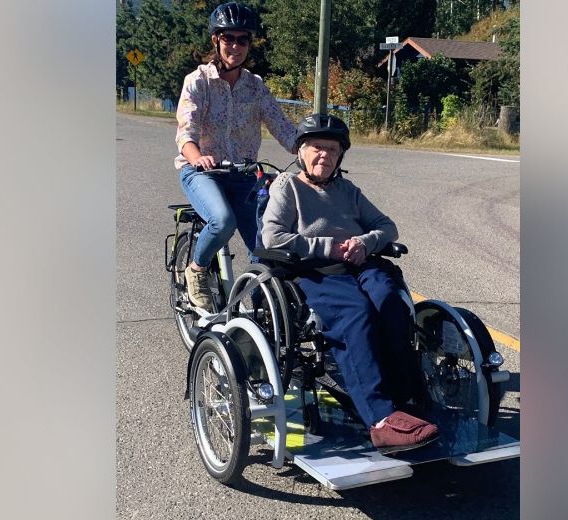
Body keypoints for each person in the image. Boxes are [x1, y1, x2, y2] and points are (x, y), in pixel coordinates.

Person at [261, 114, 439, 454]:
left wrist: (365, 242)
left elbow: (387, 226)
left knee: (390, 302)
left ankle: (406, 398)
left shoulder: (348, 190)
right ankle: (381, 419)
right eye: (317, 147)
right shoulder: (287, 186)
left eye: (332, 149)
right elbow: (273, 237)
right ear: (300, 151)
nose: (324, 155)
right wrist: (327, 247)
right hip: (315, 269)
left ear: (340, 156)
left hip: (360, 263)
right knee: (356, 313)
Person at [174, 2, 297, 311]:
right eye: (229, 38)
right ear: (216, 40)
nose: (236, 46)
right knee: (223, 220)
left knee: (266, 244)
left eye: (243, 40)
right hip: (202, 172)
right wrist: (198, 157)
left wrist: (312, 152)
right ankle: (197, 269)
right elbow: (186, 133)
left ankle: (258, 311)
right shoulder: (198, 81)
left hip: (243, 175)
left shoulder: (255, 87)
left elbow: (282, 126)